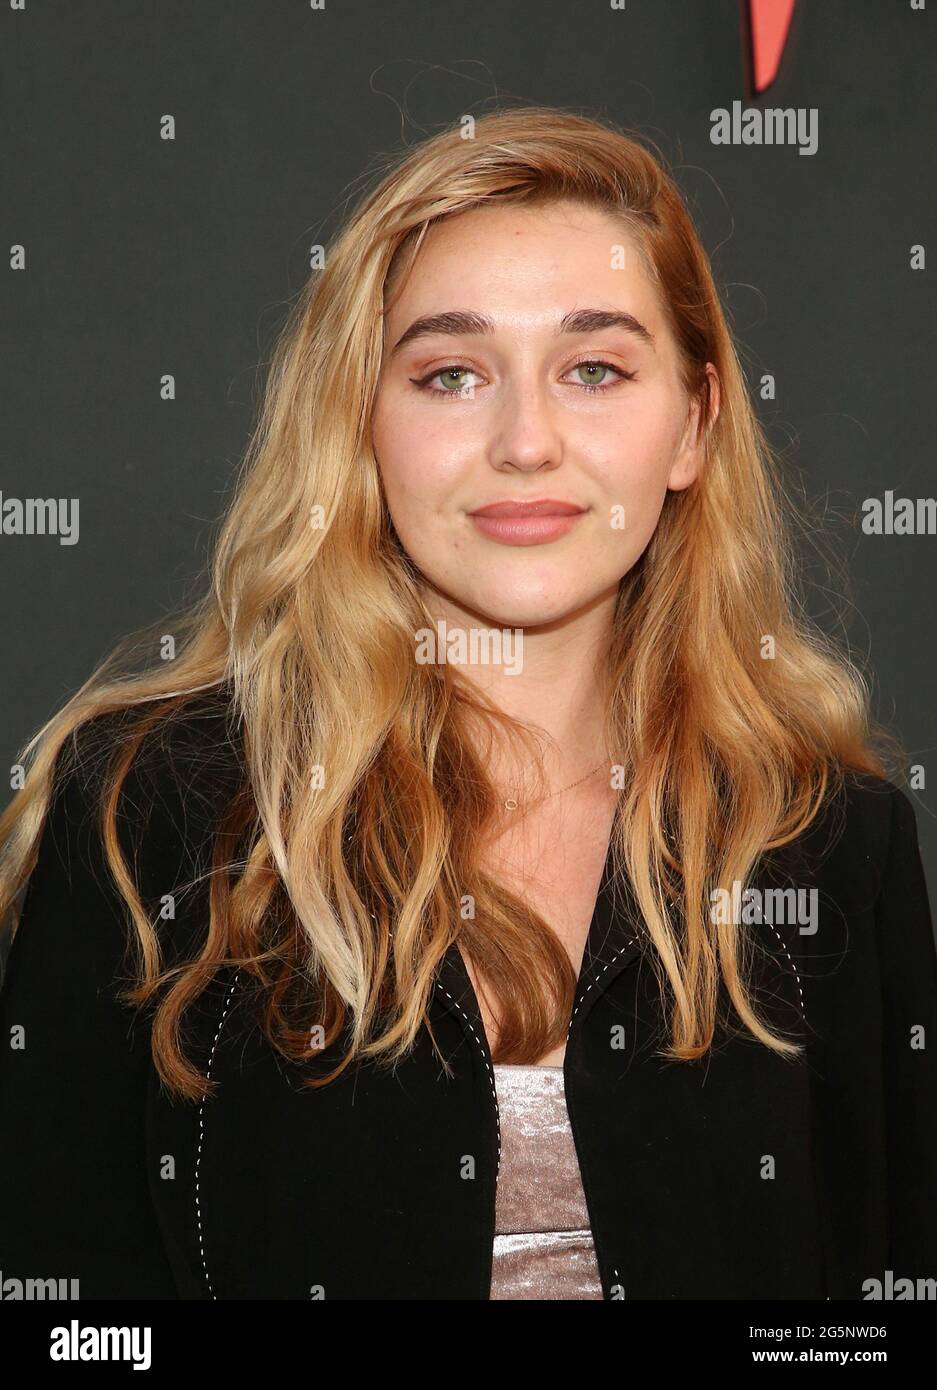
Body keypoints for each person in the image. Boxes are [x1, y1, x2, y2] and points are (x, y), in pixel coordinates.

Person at [1, 105, 935, 1302]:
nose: (526, 440)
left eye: (593, 368)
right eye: (451, 373)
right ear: (362, 425)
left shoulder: (830, 836)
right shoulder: (145, 809)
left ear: (692, 426)